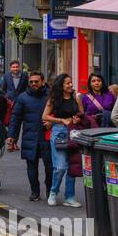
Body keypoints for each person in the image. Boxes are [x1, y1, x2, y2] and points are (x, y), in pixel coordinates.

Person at [7, 71, 52, 202]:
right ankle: (35, 191)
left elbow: (59, 113)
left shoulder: (51, 96)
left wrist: (52, 121)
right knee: (31, 166)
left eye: (36, 81)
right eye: (31, 82)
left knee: (50, 167)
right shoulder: (22, 97)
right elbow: (15, 118)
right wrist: (12, 136)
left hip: (47, 137)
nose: (33, 84)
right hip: (29, 136)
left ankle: (50, 190)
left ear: (42, 82)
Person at [42, 72, 83, 208]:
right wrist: (60, 120)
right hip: (59, 132)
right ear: (61, 85)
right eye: (67, 83)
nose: (71, 85)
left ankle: (69, 197)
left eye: (71, 82)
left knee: (72, 165)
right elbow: (45, 116)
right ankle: (53, 192)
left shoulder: (76, 97)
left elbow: (81, 114)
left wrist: (77, 118)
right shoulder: (53, 99)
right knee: (60, 167)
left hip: (74, 132)